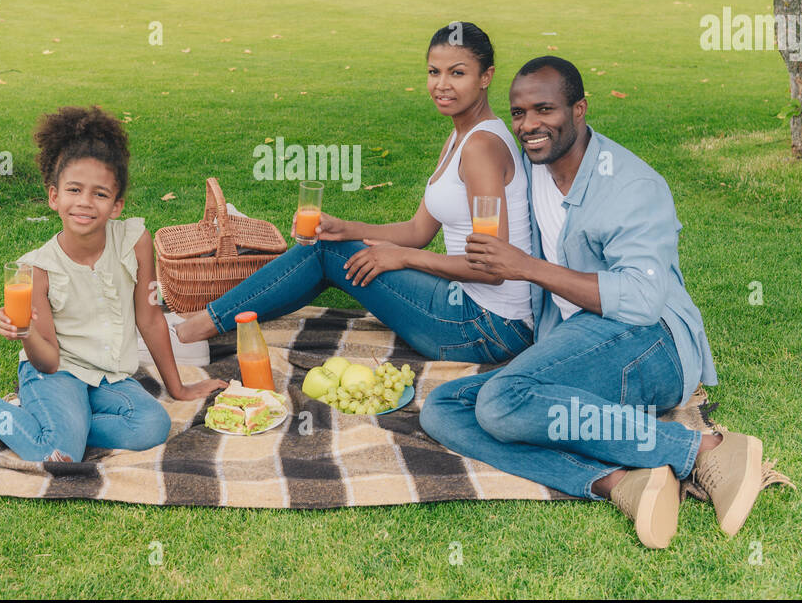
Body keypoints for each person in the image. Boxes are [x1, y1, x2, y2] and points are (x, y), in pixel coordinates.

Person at [420, 56, 764, 549]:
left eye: (545, 109)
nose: (529, 125)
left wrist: (525, 266)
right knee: (443, 408)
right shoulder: (533, 168)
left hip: (652, 345)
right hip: (581, 350)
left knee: (499, 402)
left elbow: (643, 301)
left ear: (579, 109)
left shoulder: (632, 185)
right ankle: (621, 482)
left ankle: (705, 449)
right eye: (519, 114)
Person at [174, 22, 535, 365]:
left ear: (486, 77)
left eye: (457, 73)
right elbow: (417, 232)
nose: (441, 84)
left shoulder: (481, 148)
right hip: (475, 314)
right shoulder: (461, 137)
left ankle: (193, 332)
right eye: (433, 72)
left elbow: (492, 268)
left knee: (325, 251)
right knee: (329, 246)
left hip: (486, 329)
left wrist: (402, 258)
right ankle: (212, 320)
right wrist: (346, 228)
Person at [0, 106, 227, 462]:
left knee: (152, 426)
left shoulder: (135, 241)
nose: (85, 202)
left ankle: (26, 420)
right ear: (54, 197)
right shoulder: (37, 270)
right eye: (74, 189)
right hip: (54, 374)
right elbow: (48, 361)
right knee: (58, 451)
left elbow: (150, 318)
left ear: (117, 205)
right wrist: (25, 332)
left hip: (107, 378)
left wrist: (177, 388)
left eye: (100, 194)